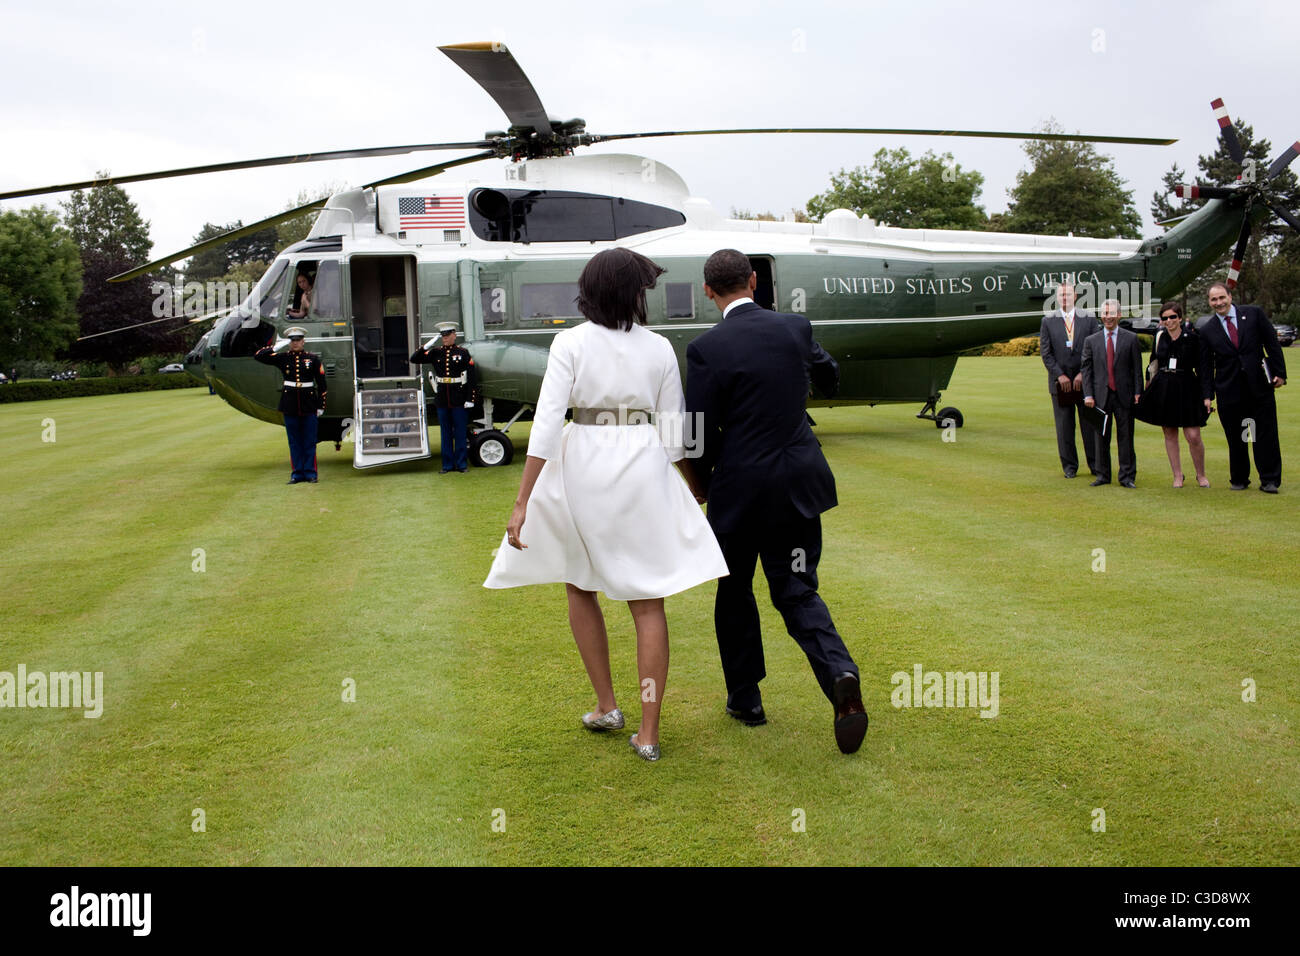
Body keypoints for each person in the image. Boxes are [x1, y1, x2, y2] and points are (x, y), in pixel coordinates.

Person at [483, 248, 728, 762]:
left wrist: (522, 500)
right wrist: (693, 484)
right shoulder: (659, 347)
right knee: (648, 601)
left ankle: (607, 705)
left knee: (580, 581)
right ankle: (649, 731)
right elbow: (676, 434)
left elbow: (548, 424)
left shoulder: (569, 342)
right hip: (642, 462)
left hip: (586, 462)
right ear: (633, 293)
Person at [685, 248, 868, 756]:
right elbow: (828, 371)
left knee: (736, 590)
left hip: (741, 492)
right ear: (752, 280)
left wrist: (707, 483)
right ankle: (840, 673)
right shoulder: (795, 327)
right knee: (796, 591)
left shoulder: (705, 349)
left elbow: (697, 435)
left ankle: (746, 699)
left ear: (707, 291)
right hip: (798, 484)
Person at [1197, 283, 1287, 493]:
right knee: (1237, 437)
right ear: (1209, 303)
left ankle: (1270, 480)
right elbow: (1206, 365)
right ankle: (1239, 478)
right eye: (1214, 300)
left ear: (1230, 296)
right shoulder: (1207, 330)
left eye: (1221, 297)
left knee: (1264, 435)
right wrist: (1207, 395)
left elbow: (1272, 344)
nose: (1218, 303)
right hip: (1229, 390)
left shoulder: (1254, 314)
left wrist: (1279, 373)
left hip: (1259, 387)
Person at [1135, 302, 1210, 487]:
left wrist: (1207, 396)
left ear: (1180, 318)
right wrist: (1146, 388)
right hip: (1164, 387)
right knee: (1169, 432)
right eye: (1165, 318)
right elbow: (1153, 363)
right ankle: (1177, 475)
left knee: (1193, 435)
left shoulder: (1193, 338)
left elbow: (1203, 368)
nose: (1169, 321)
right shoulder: (1160, 336)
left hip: (1187, 387)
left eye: (1172, 317)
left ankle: (1201, 475)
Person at [1039, 282, 1101, 478]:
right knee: (1064, 427)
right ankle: (1069, 467)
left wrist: (1084, 373)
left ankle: (1095, 465)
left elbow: (1094, 350)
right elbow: (1046, 353)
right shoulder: (1047, 321)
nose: (1064, 297)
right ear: (1057, 298)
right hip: (1061, 384)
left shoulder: (1089, 319)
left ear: (1075, 296)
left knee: (1089, 426)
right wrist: (1060, 375)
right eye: (1061, 295)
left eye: (1068, 294)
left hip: (1085, 382)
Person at [1081, 299, 1143, 488]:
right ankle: (1102, 475)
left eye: (1112, 313)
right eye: (1105, 313)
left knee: (1126, 437)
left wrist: (1138, 392)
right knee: (1101, 437)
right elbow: (1086, 371)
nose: (1108, 316)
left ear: (1119, 315)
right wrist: (1088, 395)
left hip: (1124, 395)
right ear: (1102, 315)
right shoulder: (1091, 341)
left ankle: (1127, 477)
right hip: (1100, 396)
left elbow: (1136, 369)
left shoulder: (1131, 338)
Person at [254, 326, 327, 483]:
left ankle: (310, 473)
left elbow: (322, 384)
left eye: (298, 340)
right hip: (290, 404)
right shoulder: (283, 358)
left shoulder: (313, 359)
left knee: (309, 441)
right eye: (292, 340)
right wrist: (274, 347)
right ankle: (297, 474)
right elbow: (259, 356)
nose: (295, 343)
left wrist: (321, 406)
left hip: (309, 404)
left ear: (303, 341)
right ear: (289, 342)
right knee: (294, 442)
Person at [410, 323, 478, 473]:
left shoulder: (463, 352)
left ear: (454, 335)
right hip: (442, 398)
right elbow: (414, 359)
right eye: (443, 336)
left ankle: (461, 464)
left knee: (460, 433)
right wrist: (427, 345)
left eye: (447, 336)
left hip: (459, 398)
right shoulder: (436, 352)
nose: (445, 339)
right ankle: (447, 465)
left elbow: (472, 377)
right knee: (445, 434)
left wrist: (470, 399)